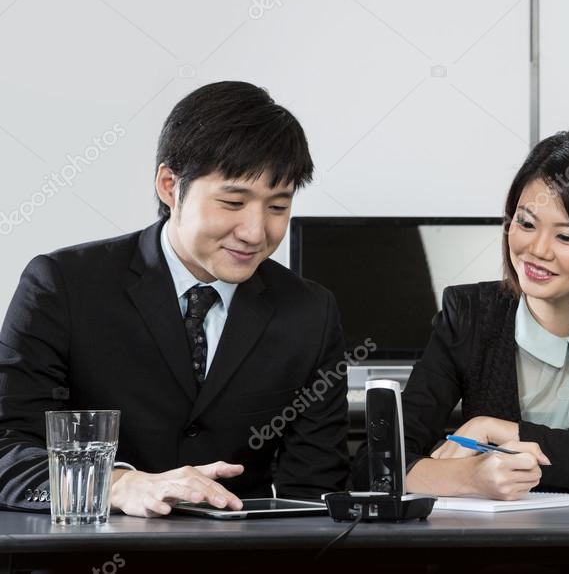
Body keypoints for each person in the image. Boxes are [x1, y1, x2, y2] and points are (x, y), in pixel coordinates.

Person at [0, 81, 350, 516]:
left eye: (277, 207)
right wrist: (117, 484)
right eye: (233, 202)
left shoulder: (309, 312)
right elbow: (8, 448)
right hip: (85, 552)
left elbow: (313, 490)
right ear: (170, 185)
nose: (256, 233)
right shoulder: (62, 286)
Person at [354, 130, 569, 499]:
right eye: (525, 223)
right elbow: (376, 467)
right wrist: (469, 477)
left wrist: (493, 430)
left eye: (566, 237)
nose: (536, 250)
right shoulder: (469, 315)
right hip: (488, 550)